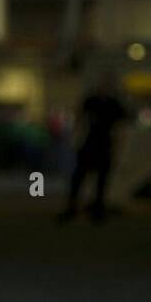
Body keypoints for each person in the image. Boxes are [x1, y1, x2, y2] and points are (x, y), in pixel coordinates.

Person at [59, 73, 128, 222]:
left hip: (104, 144)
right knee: (79, 177)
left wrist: (118, 147)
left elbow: (120, 127)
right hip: (90, 144)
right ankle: (73, 207)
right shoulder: (91, 101)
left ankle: (97, 209)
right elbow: (79, 118)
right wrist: (76, 139)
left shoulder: (114, 104)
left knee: (101, 181)